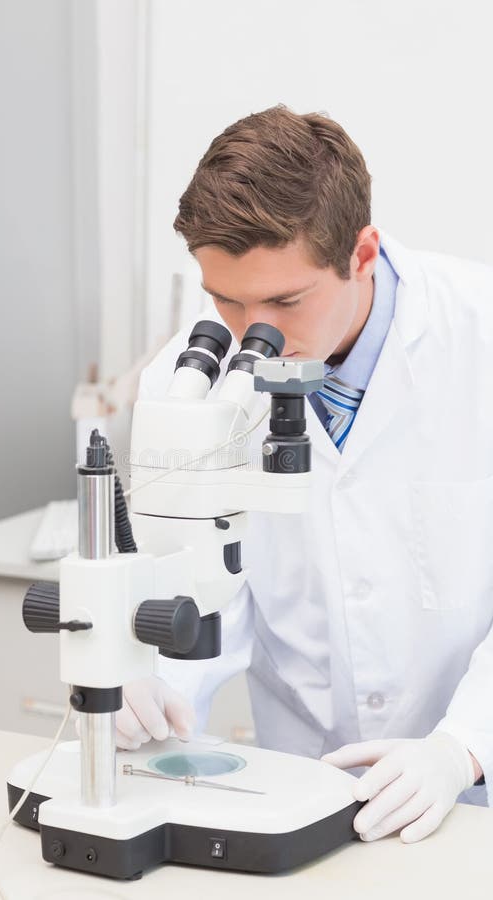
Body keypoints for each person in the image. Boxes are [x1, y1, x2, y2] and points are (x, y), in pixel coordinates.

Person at [118, 106, 493, 844]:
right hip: (302, 794)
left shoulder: (476, 337)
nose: (254, 336)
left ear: (360, 253)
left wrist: (464, 747)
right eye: (226, 299)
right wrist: (150, 677)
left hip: (473, 795)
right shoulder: (187, 385)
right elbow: (202, 587)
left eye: (285, 301)